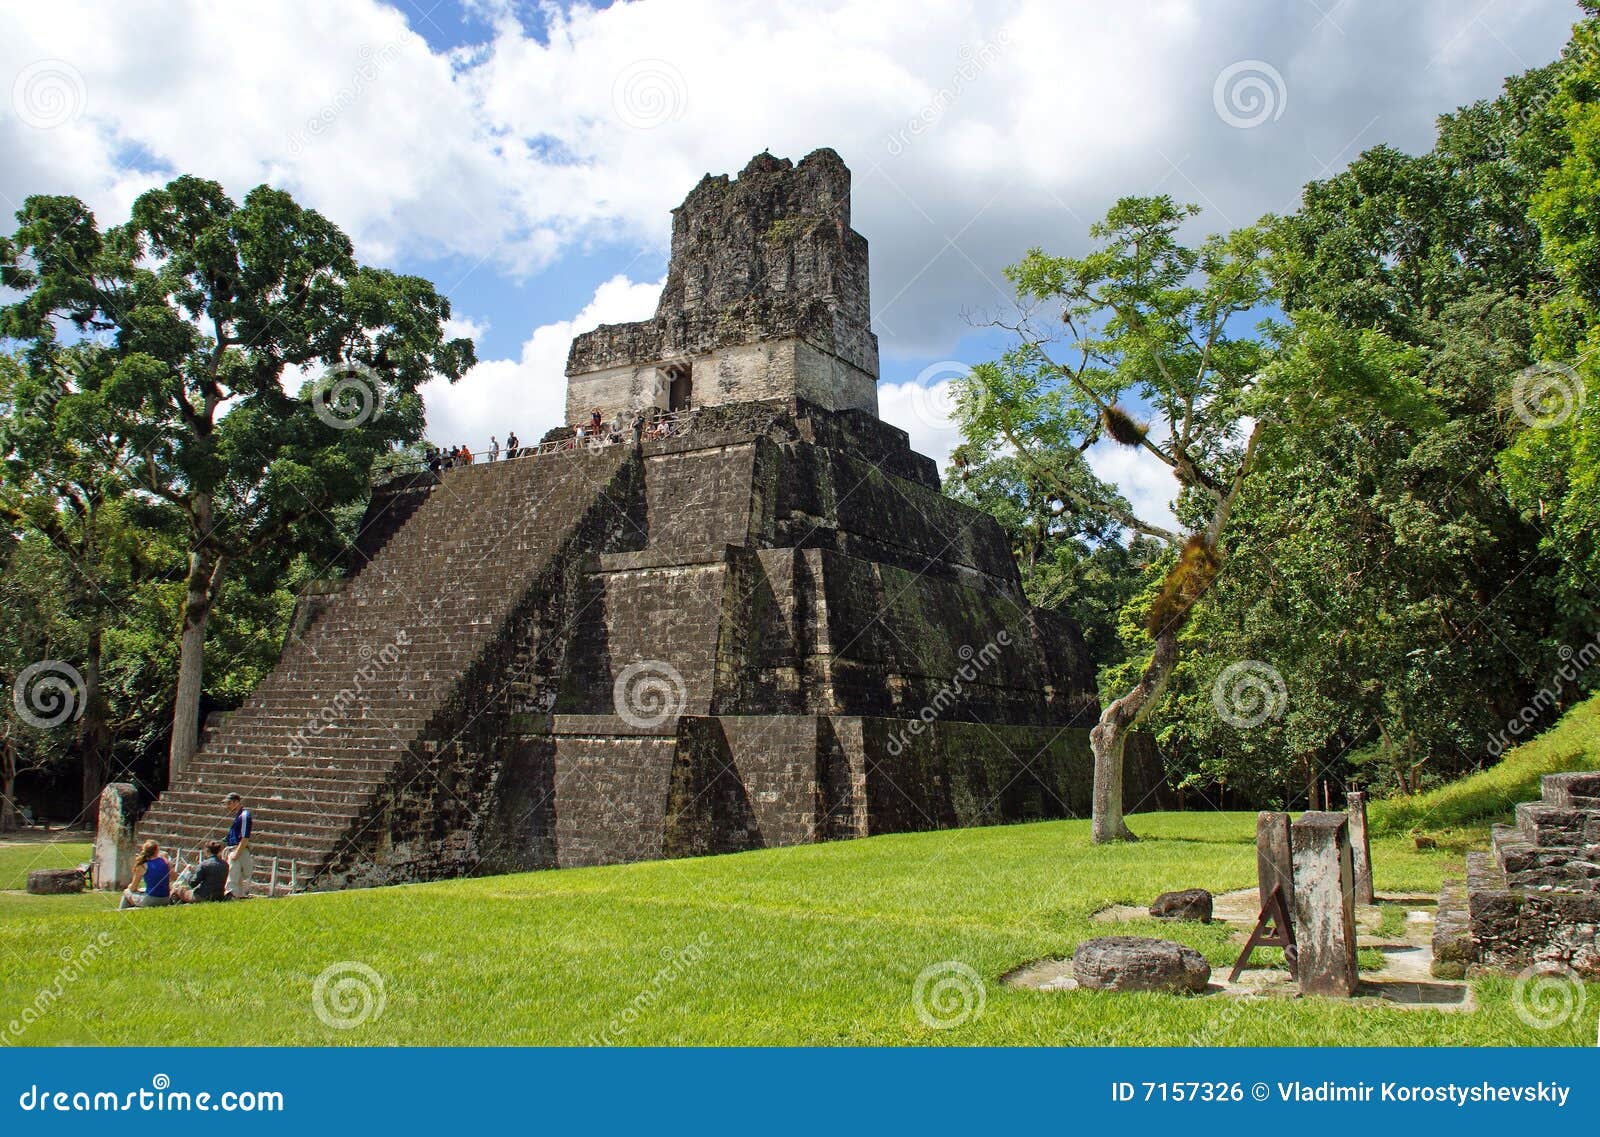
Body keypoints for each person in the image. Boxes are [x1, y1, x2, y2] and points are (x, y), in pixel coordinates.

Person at [119, 840, 172, 909]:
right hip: (165, 898)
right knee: (142, 889)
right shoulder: (164, 861)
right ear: (157, 851)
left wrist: (129, 886)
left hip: (151, 900)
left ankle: (120, 912)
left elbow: (133, 887)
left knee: (126, 892)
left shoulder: (143, 865)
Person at [222, 792, 254, 898]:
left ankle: (235, 894)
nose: (227, 806)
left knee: (244, 872)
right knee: (234, 873)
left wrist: (237, 853)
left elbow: (245, 837)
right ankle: (232, 894)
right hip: (233, 849)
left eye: (229, 803)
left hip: (237, 849)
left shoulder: (244, 815)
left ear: (236, 802)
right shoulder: (239, 816)